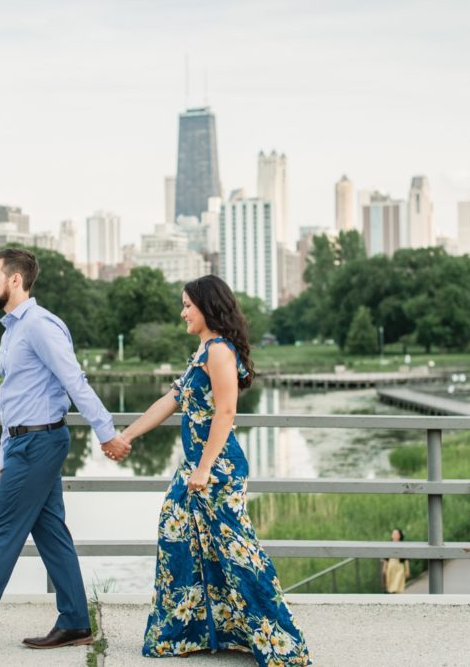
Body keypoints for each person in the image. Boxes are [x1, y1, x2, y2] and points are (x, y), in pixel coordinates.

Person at [0, 248, 131, 651]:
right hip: (25, 443)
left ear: (15, 280)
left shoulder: (39, 325)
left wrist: (107, 432)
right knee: (51, 532)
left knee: (2, 532)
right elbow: (12, 398)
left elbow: (74, 380)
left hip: (39, 443)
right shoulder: (13, 329)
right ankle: (75, 621)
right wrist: (3, 455)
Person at [114, 275, 312, 665]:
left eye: (188, 305)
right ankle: (188, 634)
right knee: (178, 536)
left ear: (207, 307)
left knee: (239, 554)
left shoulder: (219, 350)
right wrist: (127, 436)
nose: (182, 312)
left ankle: (283, 645)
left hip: (217, 471)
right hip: (195, 468)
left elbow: (225, 412)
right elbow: (169, 401)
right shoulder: (202, 351)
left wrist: (204, 469)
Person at [381, 529, 410, 594]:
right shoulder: (389, 545)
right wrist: (384, 568)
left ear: (399, 536)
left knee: (397, 584)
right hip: (390, 566)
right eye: (393, 534)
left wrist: (407, 570)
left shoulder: (402, 546)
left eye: (396, 534)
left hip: (399, 566)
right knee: (390, 585)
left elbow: (406, 559)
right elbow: (386, 559)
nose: (395, 535)